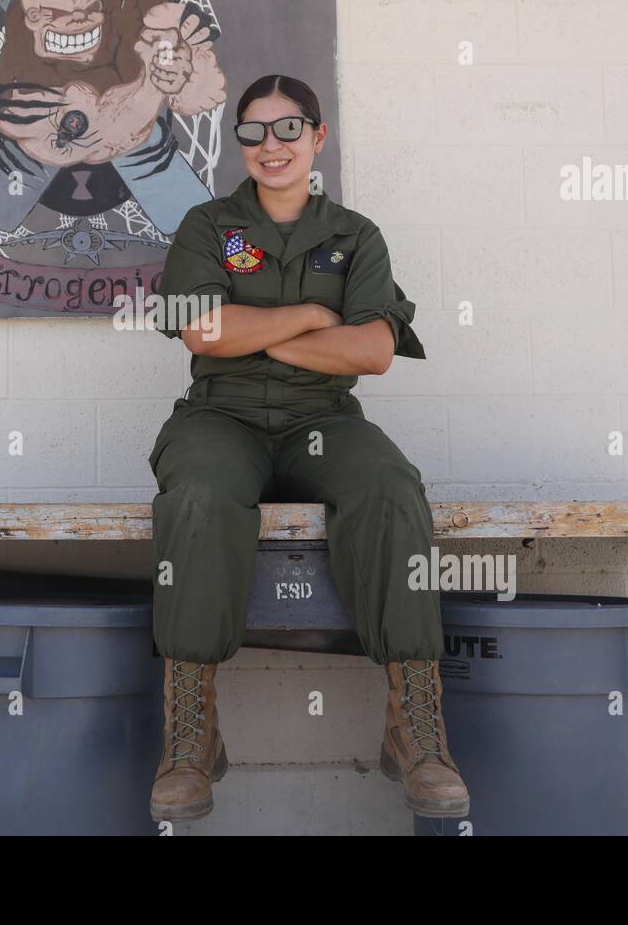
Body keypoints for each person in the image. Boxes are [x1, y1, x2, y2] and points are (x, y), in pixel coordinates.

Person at [146, 74, 469, 823]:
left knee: (390, 484)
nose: (271, 146)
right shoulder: (207, 225)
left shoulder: (356, 235)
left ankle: (415, 725)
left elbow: (372, 354)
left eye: (288, 129)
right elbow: (203, 332)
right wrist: (310, 316)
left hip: (321, 420)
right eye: (253, 132)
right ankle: (192, 731)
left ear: (318, 137)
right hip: (220, 417)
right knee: (198, 492)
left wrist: (257, 332)